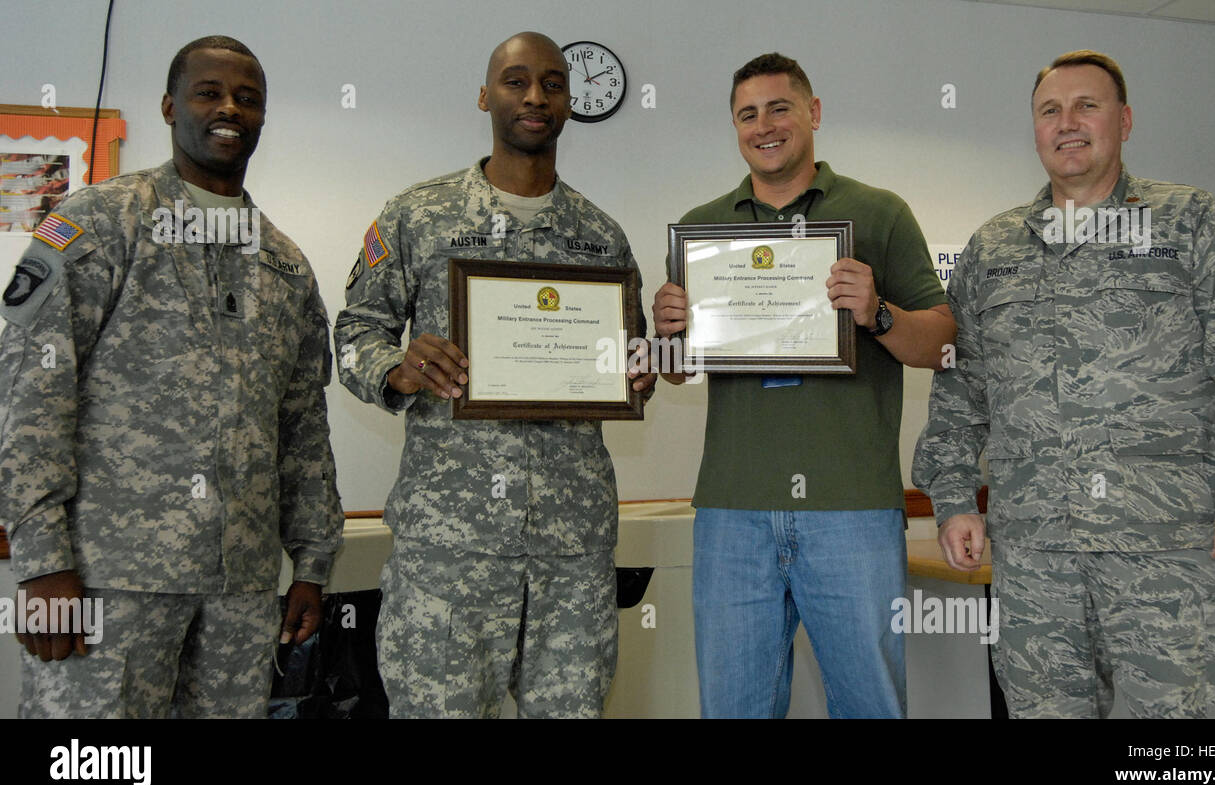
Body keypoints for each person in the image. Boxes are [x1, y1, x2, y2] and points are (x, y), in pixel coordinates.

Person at [913, 50, 1215, 718]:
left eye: (1086, 105)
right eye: (1049, 110)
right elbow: (959, 383)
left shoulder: (1191, 223)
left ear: (1123, 120)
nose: (1068, 122)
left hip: (1173, 552)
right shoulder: (992, 250)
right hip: (1037, 562)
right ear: (1035, 128)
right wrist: (952, 498)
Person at [0, 35, 343, 718]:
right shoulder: (98, 224)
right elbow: (30, 394)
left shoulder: (283, 263)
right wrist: (40, 561)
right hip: (108, 578)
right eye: (209, 92)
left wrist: (310, 562)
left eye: (248, 99)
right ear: (168, 106)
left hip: (239, 590)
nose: (229, 109)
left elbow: (303, 426)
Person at [334, 32, 653, 719]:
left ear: (569, 104)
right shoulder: (418, 215)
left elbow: (632, 357)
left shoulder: (602, 236)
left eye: (552, 84)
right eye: (515, 81)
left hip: (572, 551)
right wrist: (399, 366)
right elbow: (355, 331)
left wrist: (638, 373)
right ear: (485, 96)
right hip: (451, 551)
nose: (535, 96)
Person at [652, 53, 955, 718]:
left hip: (852, 509)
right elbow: (675, 368)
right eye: (747, 114)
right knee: (734, 708)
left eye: (779, 107)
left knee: (870, 705)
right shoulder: (704, 227)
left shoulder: (878, 213)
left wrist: (876, 313)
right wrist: (668, 332)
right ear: (735, 128)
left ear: (813, 114)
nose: (765, 125)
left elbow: (942, 342)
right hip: (732, 510)